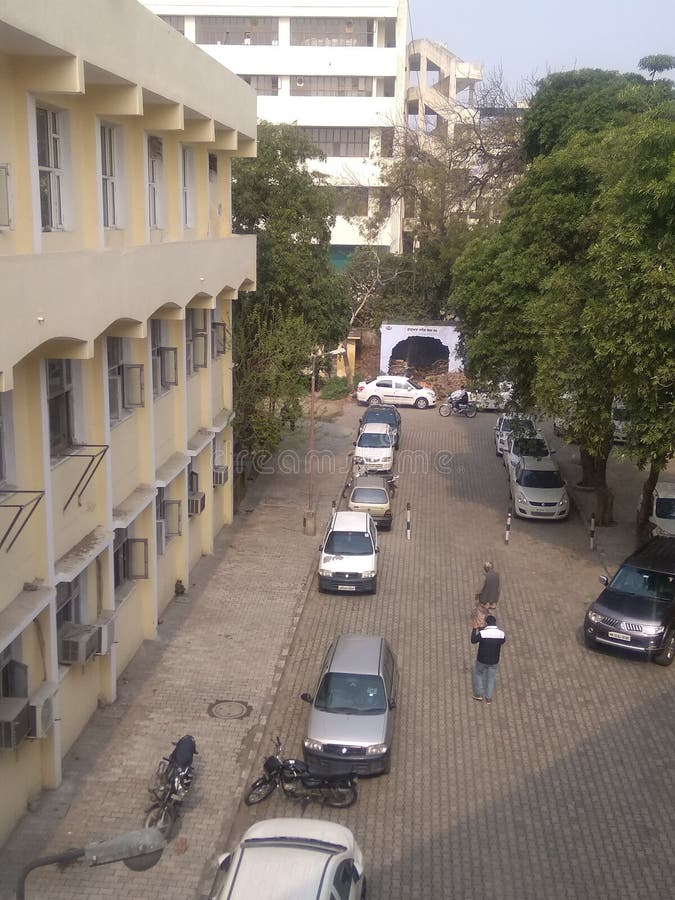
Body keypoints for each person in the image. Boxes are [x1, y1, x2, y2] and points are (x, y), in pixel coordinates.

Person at [471, 615, 506, 703]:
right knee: (491, 678)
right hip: (494, 661)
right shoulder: (501, 634)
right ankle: (488, 698)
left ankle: (479, 694)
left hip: (482, 659)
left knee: (478, 674)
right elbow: (502, 642)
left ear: (486, 623)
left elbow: (473, 640)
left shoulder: (483, 634)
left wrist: (474, 629)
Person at [472, 561, 500, 628]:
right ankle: (490, 626)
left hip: (484, 601)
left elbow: (479, 589)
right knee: (491, 614)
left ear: (486, 568)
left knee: (481, 614)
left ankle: (481, 628)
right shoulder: (497, 576)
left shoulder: (484, 577)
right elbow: (499, 589)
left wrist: (476, 596)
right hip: (493, 600)